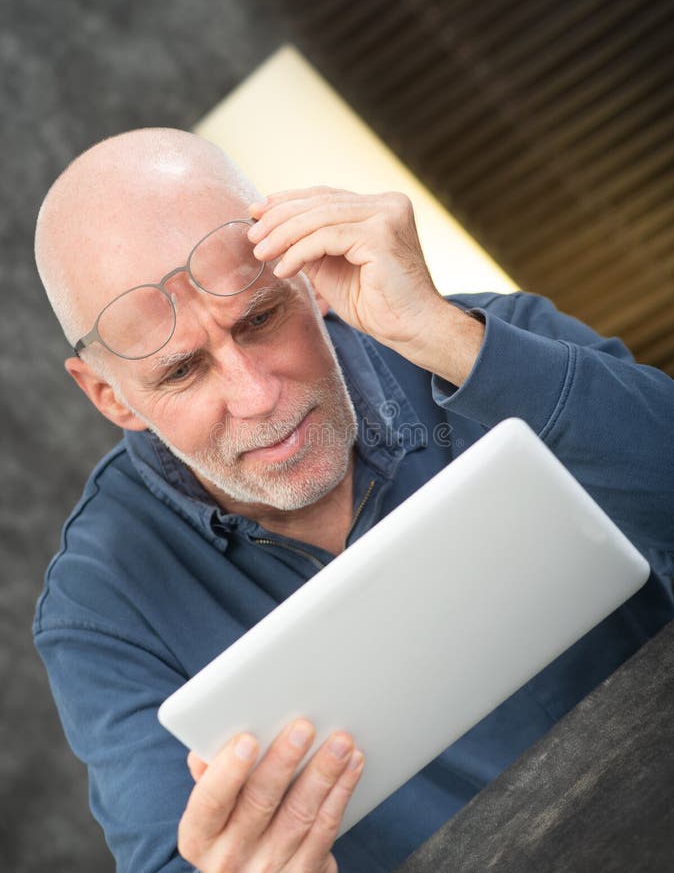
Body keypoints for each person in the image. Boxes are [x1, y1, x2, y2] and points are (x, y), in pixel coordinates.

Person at [33, 127, 674, 873]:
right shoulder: (101, 609)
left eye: (261, 318)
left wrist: (450, 339)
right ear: (111, 395)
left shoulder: (485, 340)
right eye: (181, 373)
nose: (256, 395)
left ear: (303, 272)